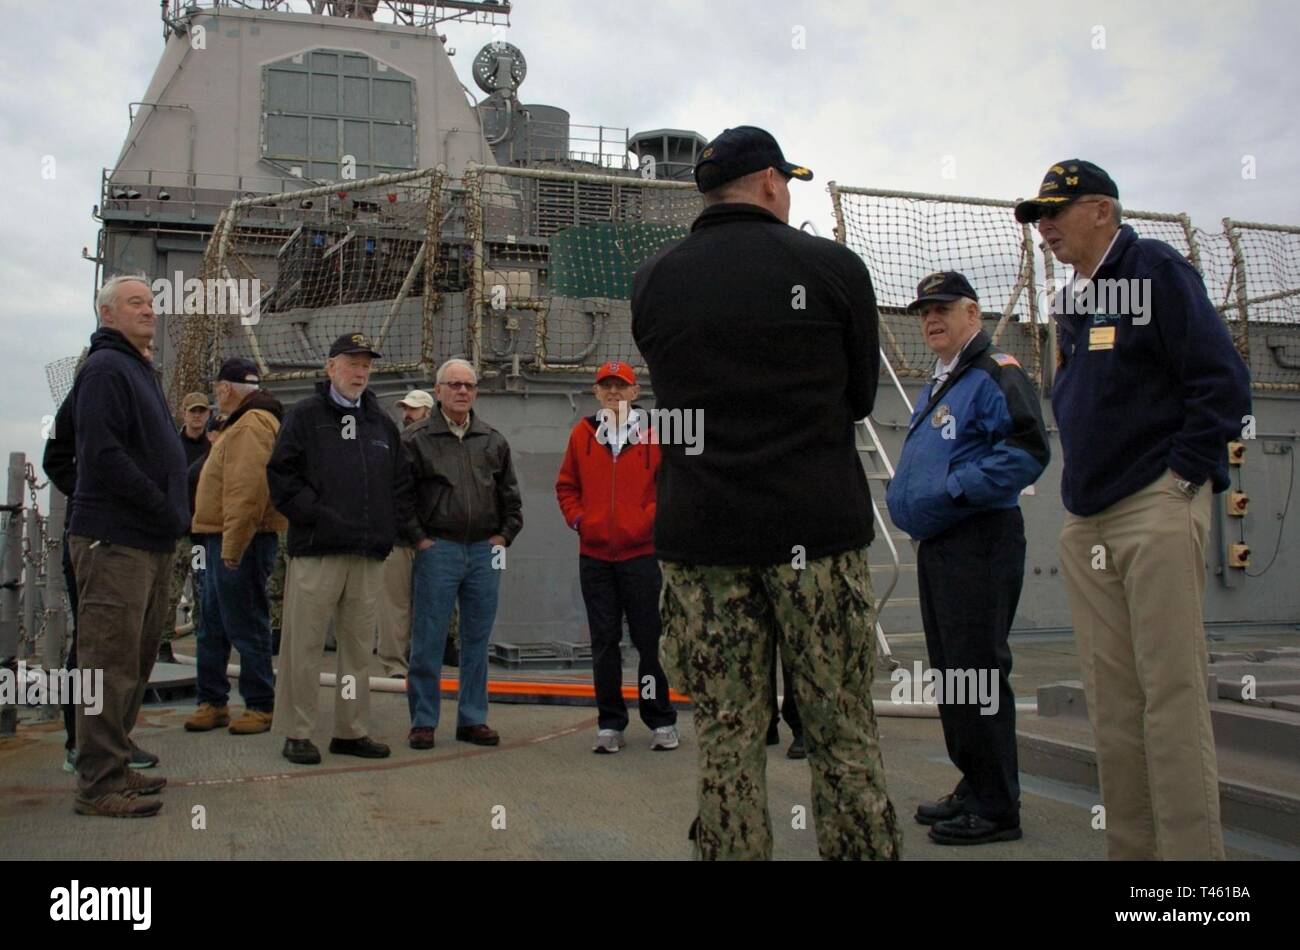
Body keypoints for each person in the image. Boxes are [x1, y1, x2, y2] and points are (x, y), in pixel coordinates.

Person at [631, 126, 900, 860]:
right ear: (774, 183)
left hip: (702, 539)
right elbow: (857, 398)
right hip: (814, 535)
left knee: (725, 734)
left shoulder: (655, 278)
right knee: (841, 727)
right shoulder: (834, 267)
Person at [1015, 160, 1252, 860]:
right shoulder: (1075, 299)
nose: (1045, 227)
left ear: (1102, 211)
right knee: (1113, 704)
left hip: (1153, 502)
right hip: (1088, 517)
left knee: (1170, 699)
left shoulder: (1154, 270)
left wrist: (1182, 479)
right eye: (1036, 217)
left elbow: (1223, 382)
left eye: (1056, 211)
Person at [885, 271, 1050, 845]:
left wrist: (956, 491)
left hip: (980, 538)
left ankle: (998, 807)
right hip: (944, 545)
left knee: (978, 672)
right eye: (924, 311)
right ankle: (976, 782)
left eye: (943, 309)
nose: (930, 319)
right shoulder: (945, 382)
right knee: (954, 673)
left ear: (973, 314)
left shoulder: (992, 374)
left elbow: (1029, 449)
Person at [67, 274, 189, 816]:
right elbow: (103, 455)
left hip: (147, 541)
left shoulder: (137, 367)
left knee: (134, 661)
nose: (149, 311)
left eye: (151, 303)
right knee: (107, 664)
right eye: (136, 303)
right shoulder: (104, 369)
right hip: (115, 540)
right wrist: (162, 507)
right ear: (107, 313)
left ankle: (116, 761)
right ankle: (97, 784)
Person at [266, 333, 415, 765]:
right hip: (318, 550)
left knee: (356, 651)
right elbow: (282, 476)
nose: (360, 371)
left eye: (366, 364)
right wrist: (317, 515)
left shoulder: (381, 422)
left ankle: (350, 730)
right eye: (352, 362)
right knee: (305, 646)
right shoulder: (306, 417)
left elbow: (400, 482)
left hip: (367, 555)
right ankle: (298, 731)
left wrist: (389, 526)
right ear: (331, 367)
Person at [555, 361, 678, 754]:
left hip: (640, 555)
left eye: (620, 387)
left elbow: (668, 489)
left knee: (649, 640)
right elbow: (566, 485)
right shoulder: (582, 434)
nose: (613, 393)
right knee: (604, 642)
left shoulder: (657, 434)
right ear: (596, 393)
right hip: (594, 555)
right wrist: (580, 520)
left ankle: (660, 720)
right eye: (606, 387)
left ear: (634, 392)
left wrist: (646, 524)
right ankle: (610, 723)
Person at [402, 359, 522, 750]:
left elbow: (510, 498)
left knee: (476, 640)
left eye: (468, 386)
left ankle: (473, 719)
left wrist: (503, 537)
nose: (462, 392)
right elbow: (400, 497)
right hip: (439, 550)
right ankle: (423, 720)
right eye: (453, 385)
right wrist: (420, 539)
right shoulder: (417, 439)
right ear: (438, 391)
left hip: (485, 553)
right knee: (428, 639)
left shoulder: (493, 440)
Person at [185, 359, 287, 735]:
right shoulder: (240, 424)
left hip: (241, 539)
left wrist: (233, 546)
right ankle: (212, 700)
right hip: (220, 536)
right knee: (211, 623)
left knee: (245, 621)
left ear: (226, 388)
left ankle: (260, 704)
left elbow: (247, 489)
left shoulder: (251, 425)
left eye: (217, 389)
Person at [374, 389, 434, 678]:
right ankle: (394, 664)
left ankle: (420, 662)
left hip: (430, 538)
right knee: (393, 605)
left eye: (414, 409)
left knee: (427, 605)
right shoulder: (393, 444)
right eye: (405, 409)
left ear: (428, 412)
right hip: (399, 537)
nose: (407, 414)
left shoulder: (435, 445)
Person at [164, 391, 213, 663]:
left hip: (202, 536)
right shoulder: (170, 445)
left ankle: (205, 648)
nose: (197, 416)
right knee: (169, 593)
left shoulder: (213, 447)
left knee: (204, 594)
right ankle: (162, 647)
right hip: (177, 534)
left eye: (201, 411)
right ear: (184, 412)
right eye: (192, 411)